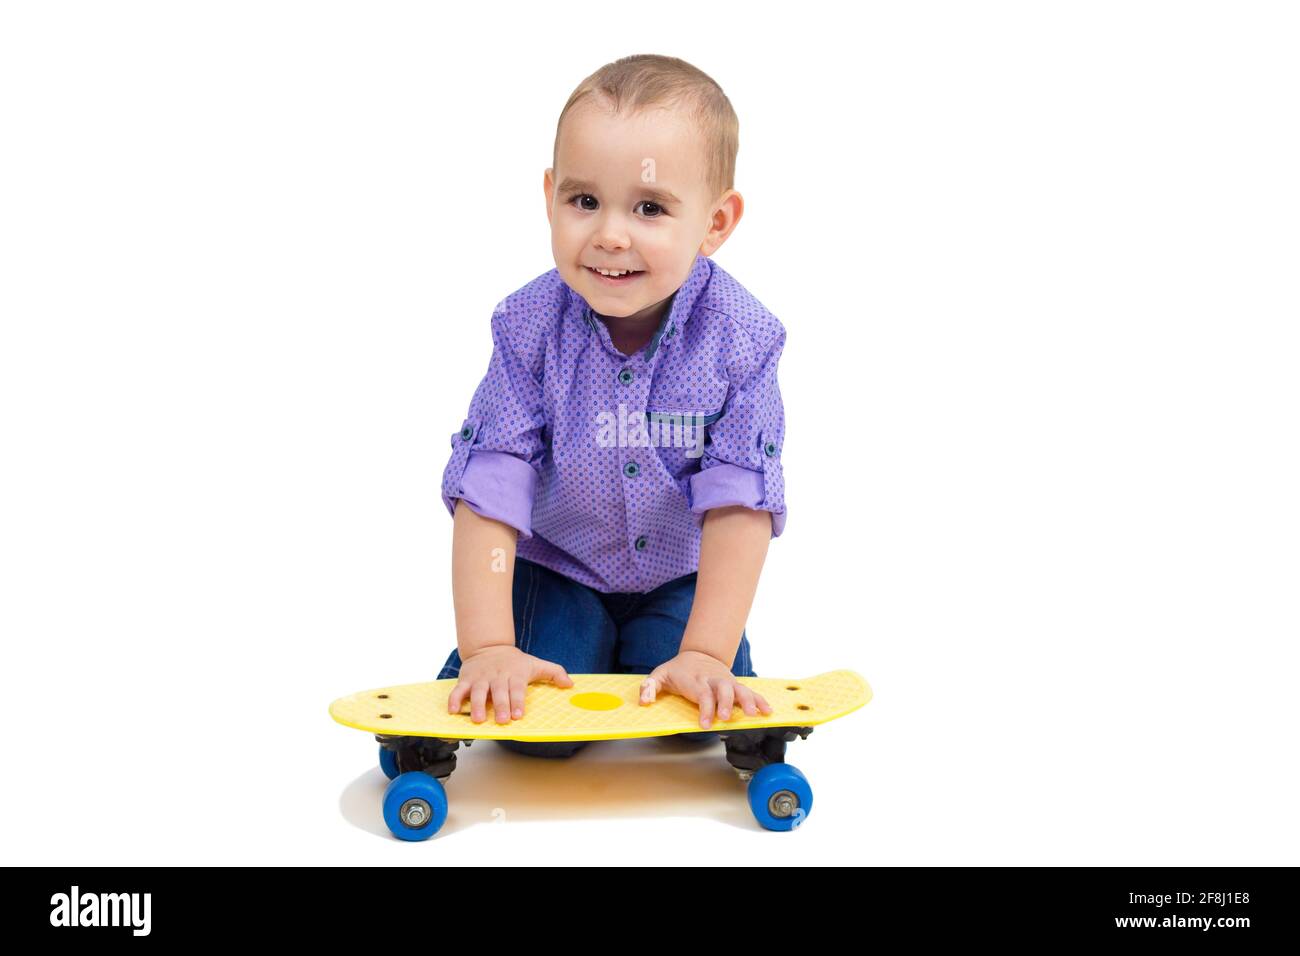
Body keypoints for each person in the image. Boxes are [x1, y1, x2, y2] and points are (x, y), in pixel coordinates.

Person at [436, 54, 786, 757]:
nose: (610, 235)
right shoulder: (528, 327)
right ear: (549, 196)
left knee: (693, 720)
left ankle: (664, 651)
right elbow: (492, 490)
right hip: (561, 566)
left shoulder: (744, 340)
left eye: (650, 207)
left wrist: (710, 652)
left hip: (680, 576)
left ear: (716, 222)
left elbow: (739, 504)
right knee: (535, 727)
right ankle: (510, 660)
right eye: (584, 200)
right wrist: (489, 647)